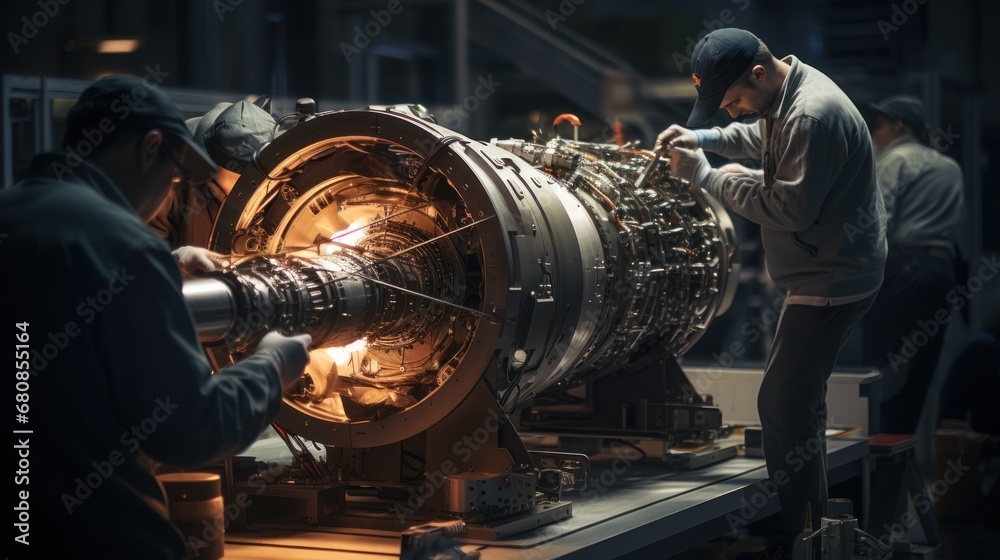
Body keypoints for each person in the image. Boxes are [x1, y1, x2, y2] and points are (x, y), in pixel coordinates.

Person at [1, 75, 311, 558]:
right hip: (99, 538)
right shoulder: (123, 243)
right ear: (150, 148)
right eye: (171, 179)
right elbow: (190, 429)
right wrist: (273, 365)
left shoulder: (17, 214)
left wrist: (162, 270)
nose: (168, 194)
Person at [657, 29, 886, 559]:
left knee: (784, 405)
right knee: (796, 401)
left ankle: (810, 538)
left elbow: (789, 209)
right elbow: (759, 136)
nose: (732, 112)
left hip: (832, 279)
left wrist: (708, 177)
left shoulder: (811, 115)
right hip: (820, 270)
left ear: (759, 74)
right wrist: (705, 140)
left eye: (733, 100)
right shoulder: (782, 97)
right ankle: (819, 527)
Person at [857, 95, 965, 435]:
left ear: (899, 125)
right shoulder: (950, 167)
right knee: (919, 373)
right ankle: (900, 459)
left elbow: (877, 222)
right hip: (942, 275)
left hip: (903, 272)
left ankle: (873, 467)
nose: (875, 135)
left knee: (881, 374)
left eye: (879, 126)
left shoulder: (894, 160)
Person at [150, 98, 275, 249]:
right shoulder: (173, 194)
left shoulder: (283, 188)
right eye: (234, 189)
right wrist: (177, 262)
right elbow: (142, 256)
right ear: (210, 167)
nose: (241, 197)